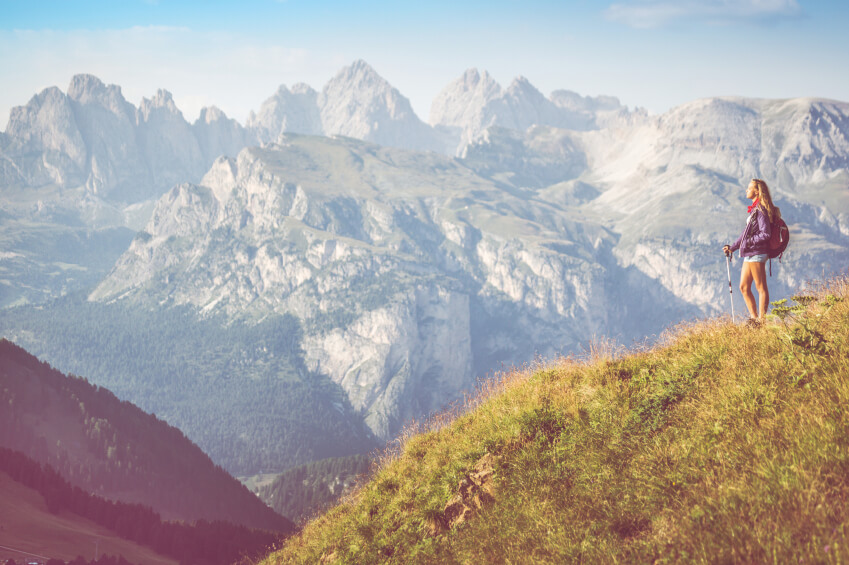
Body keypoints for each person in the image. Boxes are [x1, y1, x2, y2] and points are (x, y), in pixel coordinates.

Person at [723, 178, 780, 324]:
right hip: (750, 253)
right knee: (743, 287)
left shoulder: (761, 210)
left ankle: (761, 321)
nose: (746, 190)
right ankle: (754, 320)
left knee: (760, 287)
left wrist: (748, 241)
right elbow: (745, 234)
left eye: (749, 188)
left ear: (757, 191)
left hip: (757, 253)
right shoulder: (755, 210)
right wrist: (732, 248)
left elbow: (765, 234)